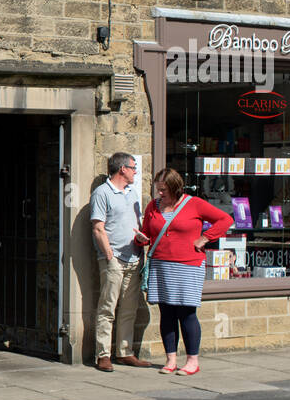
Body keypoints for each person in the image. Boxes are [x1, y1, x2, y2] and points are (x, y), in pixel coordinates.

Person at [137, 167, 234, 376]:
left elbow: (226, 220)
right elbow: (146, 231)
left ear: (175, 187)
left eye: (164, 189)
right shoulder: (153, 206)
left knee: (187, 312)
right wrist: (140, 239)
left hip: (188, 264)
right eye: (158, 189)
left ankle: (192, 361)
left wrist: (206, 238)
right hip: (162, 264)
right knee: (167, 313)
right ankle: (170, 359)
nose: (159, 193)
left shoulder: (194, 204)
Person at [90, 152, 152, 371]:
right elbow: (98, 226)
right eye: (133, 167)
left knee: (129, 308)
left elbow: (135, 223)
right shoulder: (102, 193)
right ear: (122, 169)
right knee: (108, 307)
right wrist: (108, 253)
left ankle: (125, 352)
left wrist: (140, 238)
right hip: (113, 258)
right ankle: (103, 354)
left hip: (134, 257)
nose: (136, 171)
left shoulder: (132, 192)